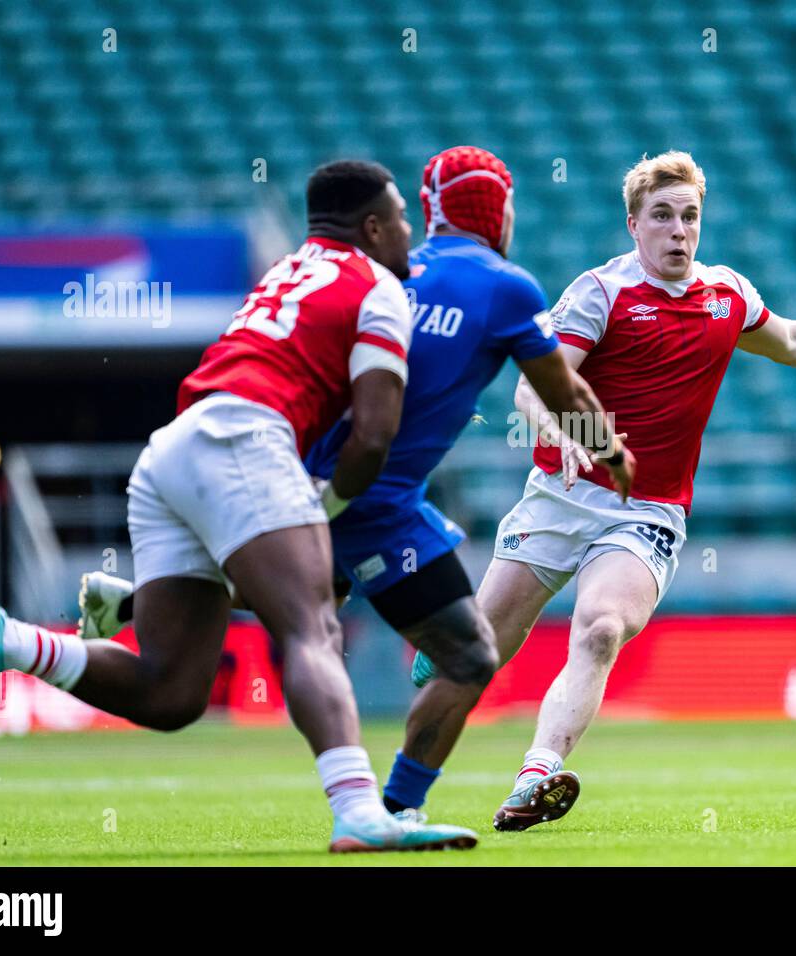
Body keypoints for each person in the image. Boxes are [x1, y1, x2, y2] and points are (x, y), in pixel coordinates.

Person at [407, 150, 796, 831]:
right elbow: (531, 388)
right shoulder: (600, 293)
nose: (679, 230)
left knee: (602, 629)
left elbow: (789, 339)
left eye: (690, 217)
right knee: (474, 655)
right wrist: (572, 428)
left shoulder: (727, 295)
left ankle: (536, 775)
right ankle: (401, 802)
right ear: (634, 225)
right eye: (663, 217)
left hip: (646, 510)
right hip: (559, 496)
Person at [0, 159, 477, 853]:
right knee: (311, 627)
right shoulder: (376, 286)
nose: (411, 233)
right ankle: (359, 811)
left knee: (170, 692)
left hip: (171, 452)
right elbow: (375, 434)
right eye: (402, 219)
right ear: (372, 227)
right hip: (246, 439)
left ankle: (10, 642)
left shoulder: (286, 271)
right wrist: (328, 504)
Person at [76, 146, 633, 818]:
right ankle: (396, 807)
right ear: (500, 210)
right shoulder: (506, 285)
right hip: (376, 499)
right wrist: (609, 453)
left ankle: (135, 606)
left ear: (431, 212)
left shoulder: (384, 275)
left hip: (296, 468)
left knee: (319, 593)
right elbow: (564, 392)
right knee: (466, 653)